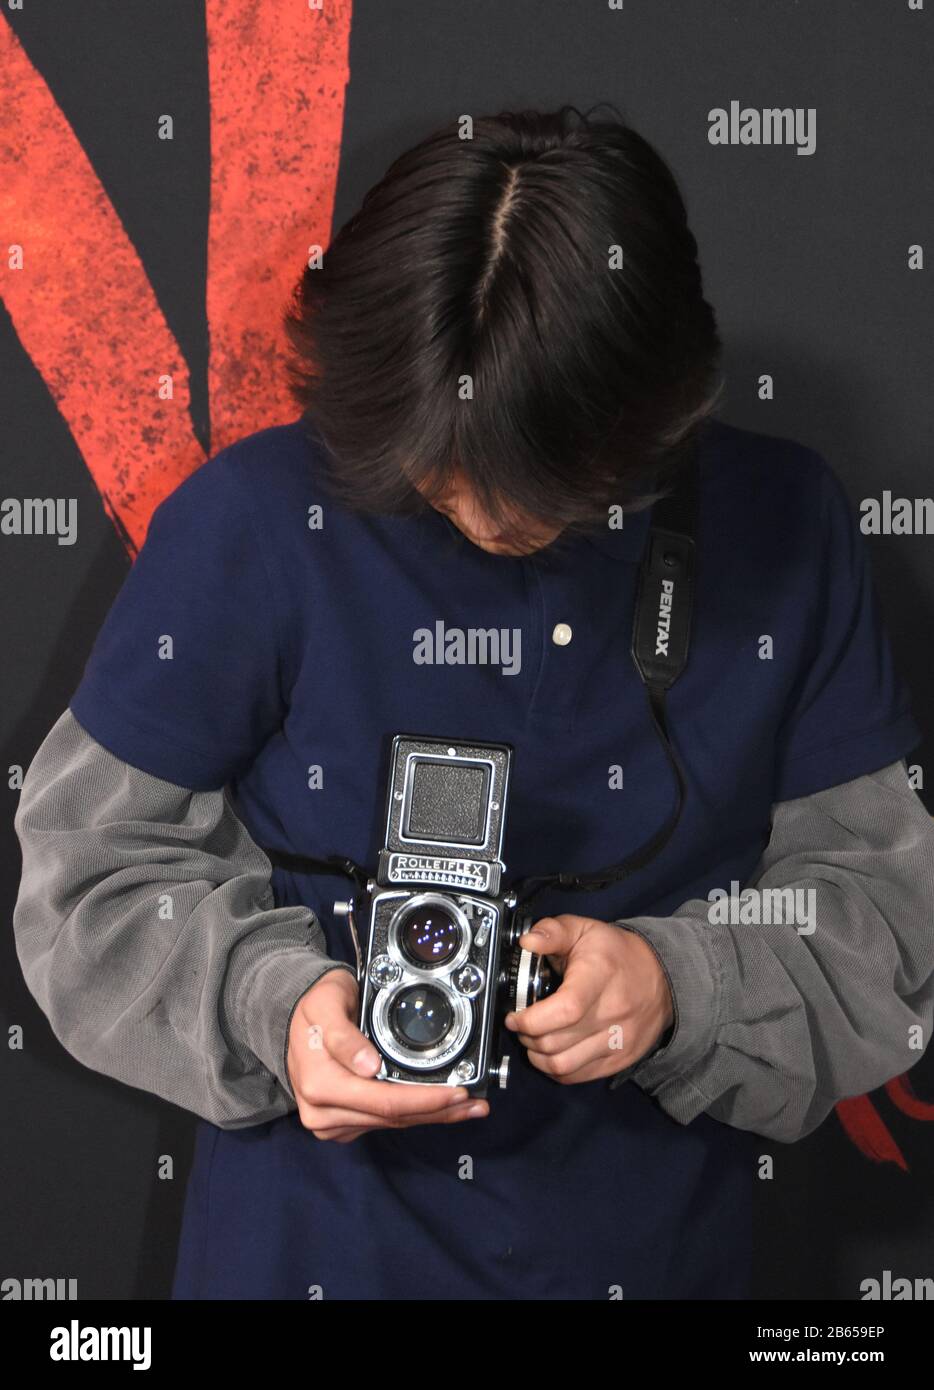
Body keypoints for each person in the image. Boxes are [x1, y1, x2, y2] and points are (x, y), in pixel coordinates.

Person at [12, 105, 934, 1301]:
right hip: (308, 1252)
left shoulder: (785, 526)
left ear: (655, 412)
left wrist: (679, 986)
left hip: (656, 1254)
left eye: (542, 479)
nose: (490, 519)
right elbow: (86, 877)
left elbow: (888, 918)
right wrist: (274, 1007)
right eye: (442, 480)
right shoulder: (249, 524)